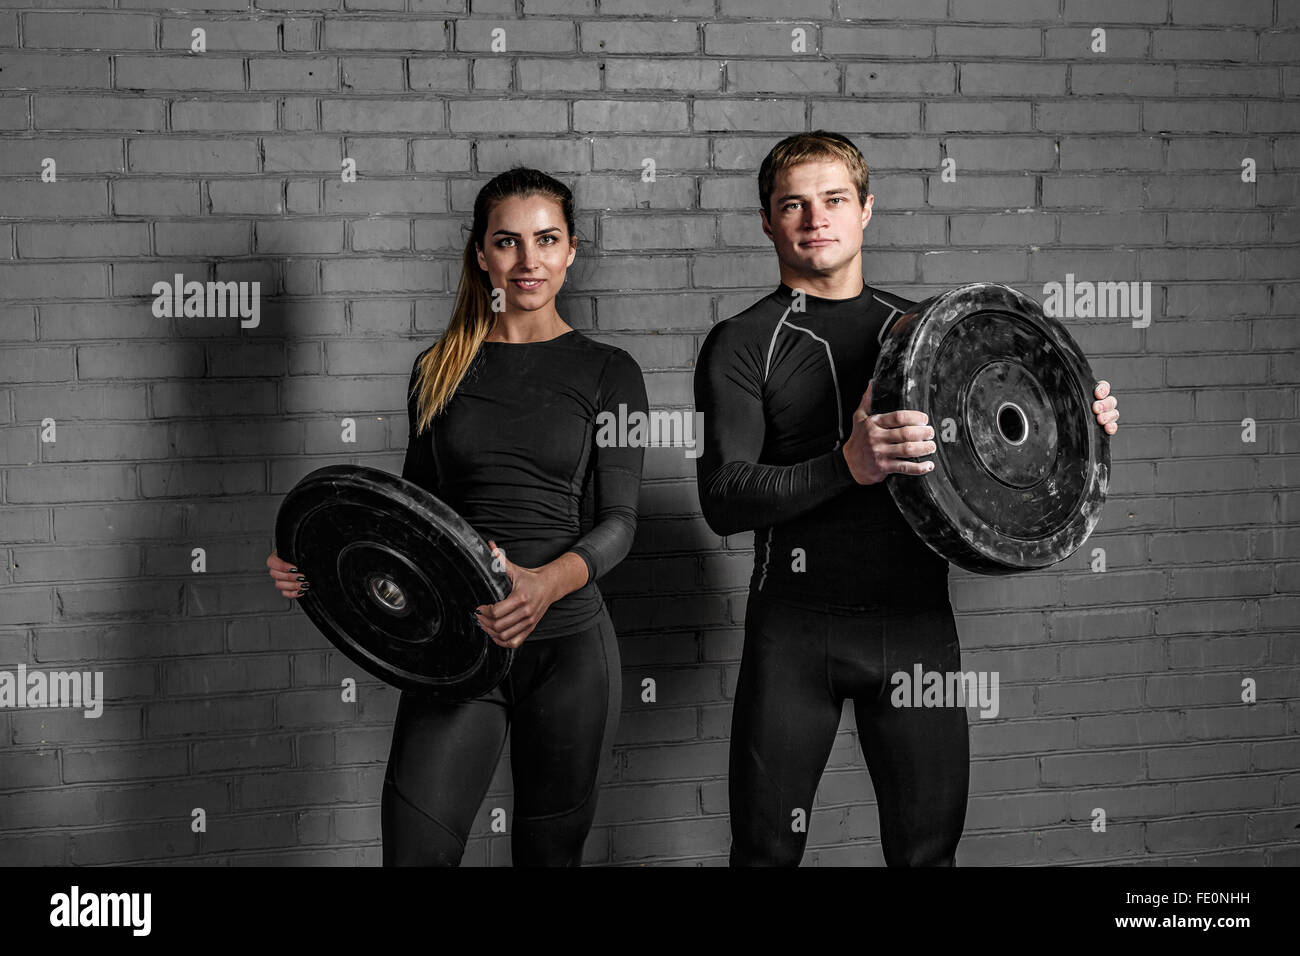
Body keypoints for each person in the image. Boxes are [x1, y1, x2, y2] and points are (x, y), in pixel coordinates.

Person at [693, 131, 1120, 866]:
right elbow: (725, 498)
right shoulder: (741, 343)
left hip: (915, 630)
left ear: (866, 210)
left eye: (832, 200)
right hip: (795, 637)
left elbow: (1014, 441)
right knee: (764, 854)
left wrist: (1077, 421)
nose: (813, 219)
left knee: (928, 856)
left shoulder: (931, 333)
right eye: (791, 204)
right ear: (767, 221)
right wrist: (846, 465)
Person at [267, 167, 648, 866]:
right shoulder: (438, 368)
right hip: (457, 652)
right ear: (480, 253)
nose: (528, 261)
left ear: (571, 251)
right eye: (507, 241)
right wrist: (312, 562)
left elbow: (620, 523)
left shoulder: (610, 371)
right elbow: (406, 523)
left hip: (568, 653)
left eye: (546, 240)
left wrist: (540, 586)